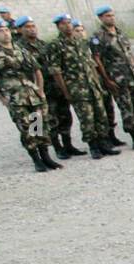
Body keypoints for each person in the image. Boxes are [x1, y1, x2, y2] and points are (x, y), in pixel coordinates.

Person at [0, 18, 61, 171]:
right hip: (14, 96)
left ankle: (46, 156)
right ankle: (36, 160)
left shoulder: (20, 49)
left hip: (31, 93)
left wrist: (40, 90)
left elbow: (36, 69)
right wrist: (0, 96)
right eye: (0, 31)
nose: (5, 34)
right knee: (26, 128)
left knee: (38, 125)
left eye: (6, 30)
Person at [50, 14, 119, 157]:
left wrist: (98, 83)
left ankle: (103, 143)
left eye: (69, 23)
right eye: (63, 23)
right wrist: (66, 91)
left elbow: (91, 64)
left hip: (92, 85)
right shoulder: (56, 45)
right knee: (86, 118)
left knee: (100, 115)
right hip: (77, 88)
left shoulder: (81, 41)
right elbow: (56, 71)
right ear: (58, 26)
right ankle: (92, 146)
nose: (67, 26)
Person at [14, 15, 81, 159]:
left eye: (33, 26)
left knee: (65, 116)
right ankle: (56, 148)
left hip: (55, 88)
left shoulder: (44, 44)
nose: (32, 30)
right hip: (36, 92)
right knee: (46, 120)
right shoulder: (19, 48)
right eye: (27, 27)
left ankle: (68, 145)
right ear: (19, 30)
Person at [91, 5, 134, 150]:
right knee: (127, 109)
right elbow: (97, 59)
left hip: (132, 76)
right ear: (101, 18)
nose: (111, 18)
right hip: (118, 79)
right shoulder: (98, 37)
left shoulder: (121, 33)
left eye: (112, 15)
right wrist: (107, 80)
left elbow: (130, 53)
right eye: (107, 16)